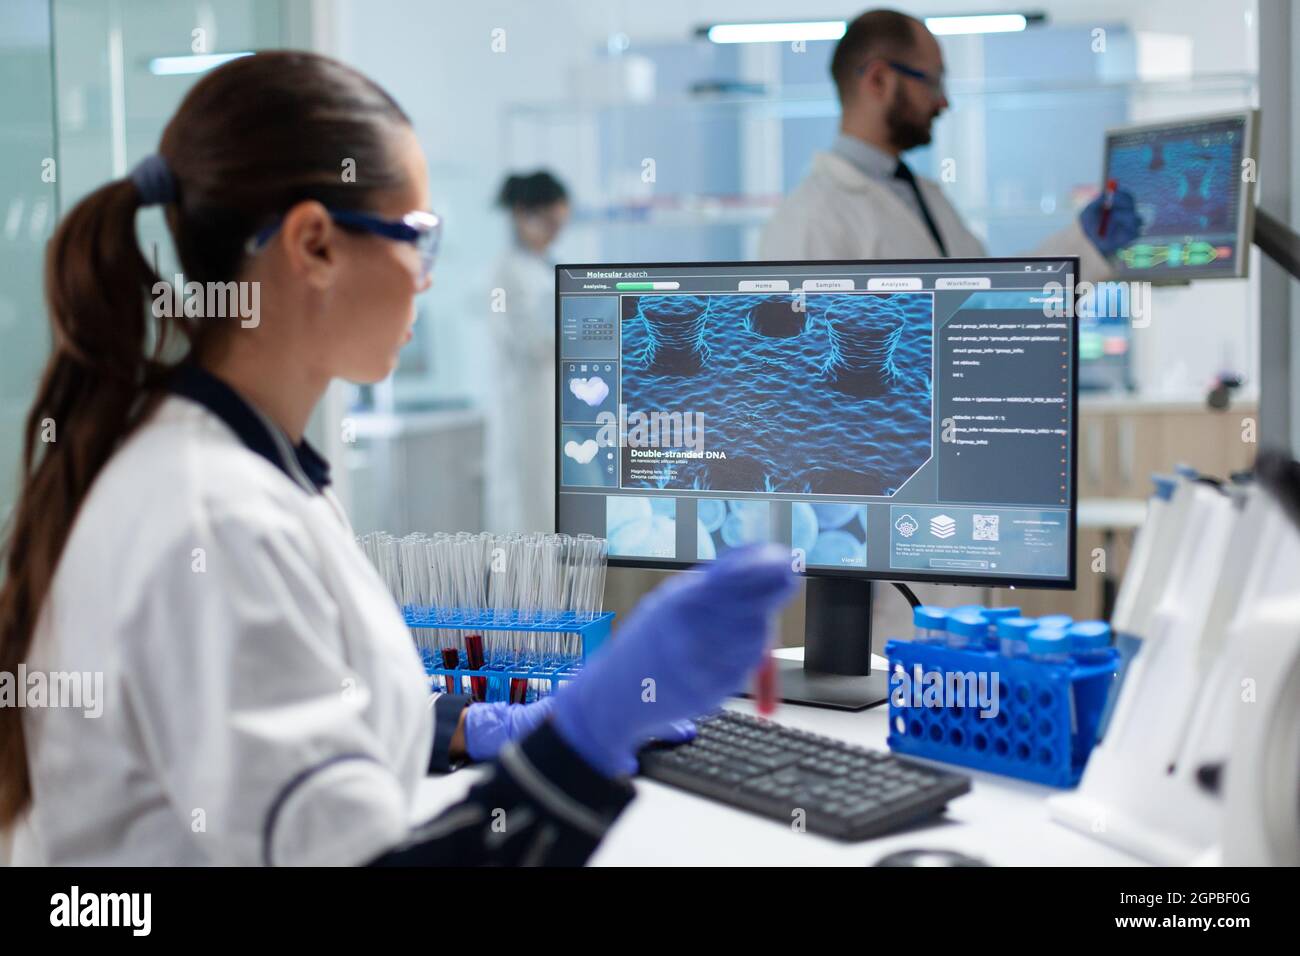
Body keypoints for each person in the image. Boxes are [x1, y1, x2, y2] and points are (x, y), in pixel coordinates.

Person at [0, 51, 797, 866]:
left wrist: (468, 726)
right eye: (419, 236)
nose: (425, 277)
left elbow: (310, 723)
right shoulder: (215, 520)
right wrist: (583, 748)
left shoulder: (250, 465)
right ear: (314, 246)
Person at [759, 8, 1140, 271]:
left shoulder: (921, 195)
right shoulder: (809, 221)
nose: (943, 101)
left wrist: (1086, 243)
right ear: (878, 80)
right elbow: (800, 369)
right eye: (932, 80)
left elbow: (986, 303)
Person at [485, 171, 571, 533]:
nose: (555, 233)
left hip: (548, 405)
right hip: (525, 408)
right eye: (549, 222)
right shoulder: (507, 272)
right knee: (525, 506)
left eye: (561, 224)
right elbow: (535, 341)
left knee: (548, 505)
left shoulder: (543, 267)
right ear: (522, 213)